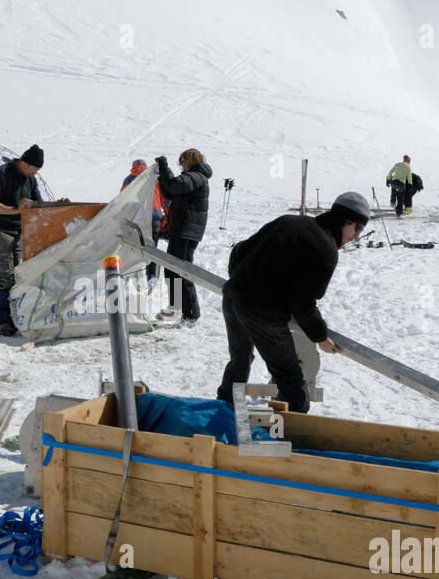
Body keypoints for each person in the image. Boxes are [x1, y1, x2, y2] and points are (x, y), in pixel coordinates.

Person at [215, 191, 371, 414]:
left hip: (232, 300)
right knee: (291, 383)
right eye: (358, 229)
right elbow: (302, 303)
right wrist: (319, 336)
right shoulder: (325, 250)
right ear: (345, 222)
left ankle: (220, 412)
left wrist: (242, 283)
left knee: (239, 362)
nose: (356, 236)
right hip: (262, 312)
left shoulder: (289, 221)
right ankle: (289, 436)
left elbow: (239, 251)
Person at [0, 144, 46, 336]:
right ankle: (0, 321)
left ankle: (14, 316)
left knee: (17, 275)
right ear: (24, 162)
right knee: (5, 276)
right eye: (34, 168)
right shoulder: (0, 173)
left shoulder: (31, 179)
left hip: (19, 231)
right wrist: (16, 210)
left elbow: (37, 203)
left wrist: (56, 205)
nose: (35, 172)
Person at [153, 148, 212, 326]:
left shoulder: (198, 176)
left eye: (183, 163)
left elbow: (176, 185)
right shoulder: (192, 177)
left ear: (191, 161)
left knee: (182, 270)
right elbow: (172, 192)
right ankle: (176, 307)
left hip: (188, 230)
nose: (182, 167)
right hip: (181, 230)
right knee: (171, 269)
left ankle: (191, 313)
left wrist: (164, 167)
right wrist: (162, 179)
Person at [121, 159, 167, 285]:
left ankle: (134, 275)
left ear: (133, 167)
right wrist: (167, 216)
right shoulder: (155, 178)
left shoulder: (128, 179)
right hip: (154, 217)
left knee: (135, 246)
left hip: (136, 218)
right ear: (145, 167)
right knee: (152, 247)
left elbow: (123, 200)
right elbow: (165, 200)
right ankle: (151, 275)